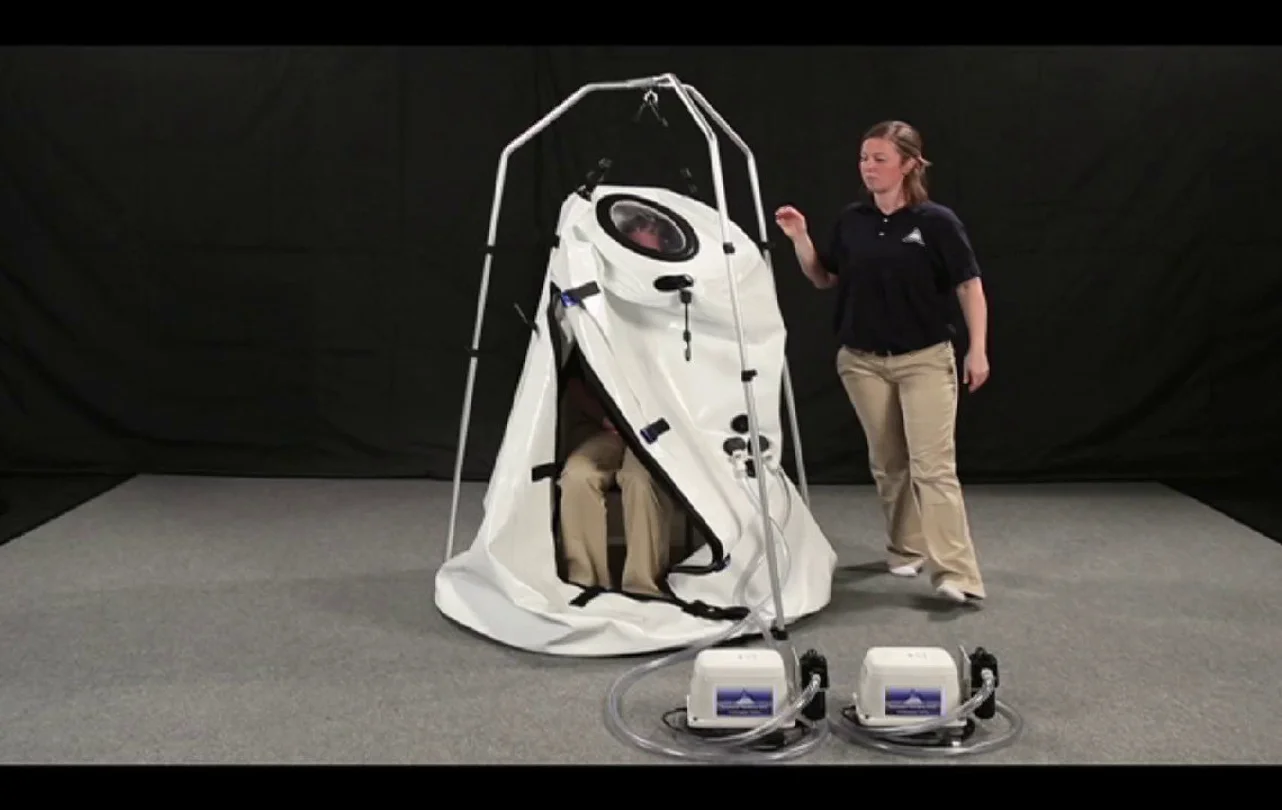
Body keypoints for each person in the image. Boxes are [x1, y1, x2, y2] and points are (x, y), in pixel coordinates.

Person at [774, 119, 989, 604]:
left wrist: (977, 348)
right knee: (890, 463)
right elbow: (824, 278)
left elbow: (969, 285)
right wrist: (801, 238)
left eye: (880, 159)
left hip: (925, 360)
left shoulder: (936, 222)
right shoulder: (853, 220)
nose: (868, 167)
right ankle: (905, 547)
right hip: (862, 363)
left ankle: (957, 573)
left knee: (933, 468)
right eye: (864, 158)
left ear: (909, 164)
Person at [555, 219, 675, 596]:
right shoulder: (594, 304)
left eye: (647, 251)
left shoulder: (676, 308)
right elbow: (573, 380)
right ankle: (586, 582)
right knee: (577, 476)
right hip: (607, 427)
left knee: (640, 480)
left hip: (657, 432)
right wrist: (605, 417)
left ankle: (643, 586)